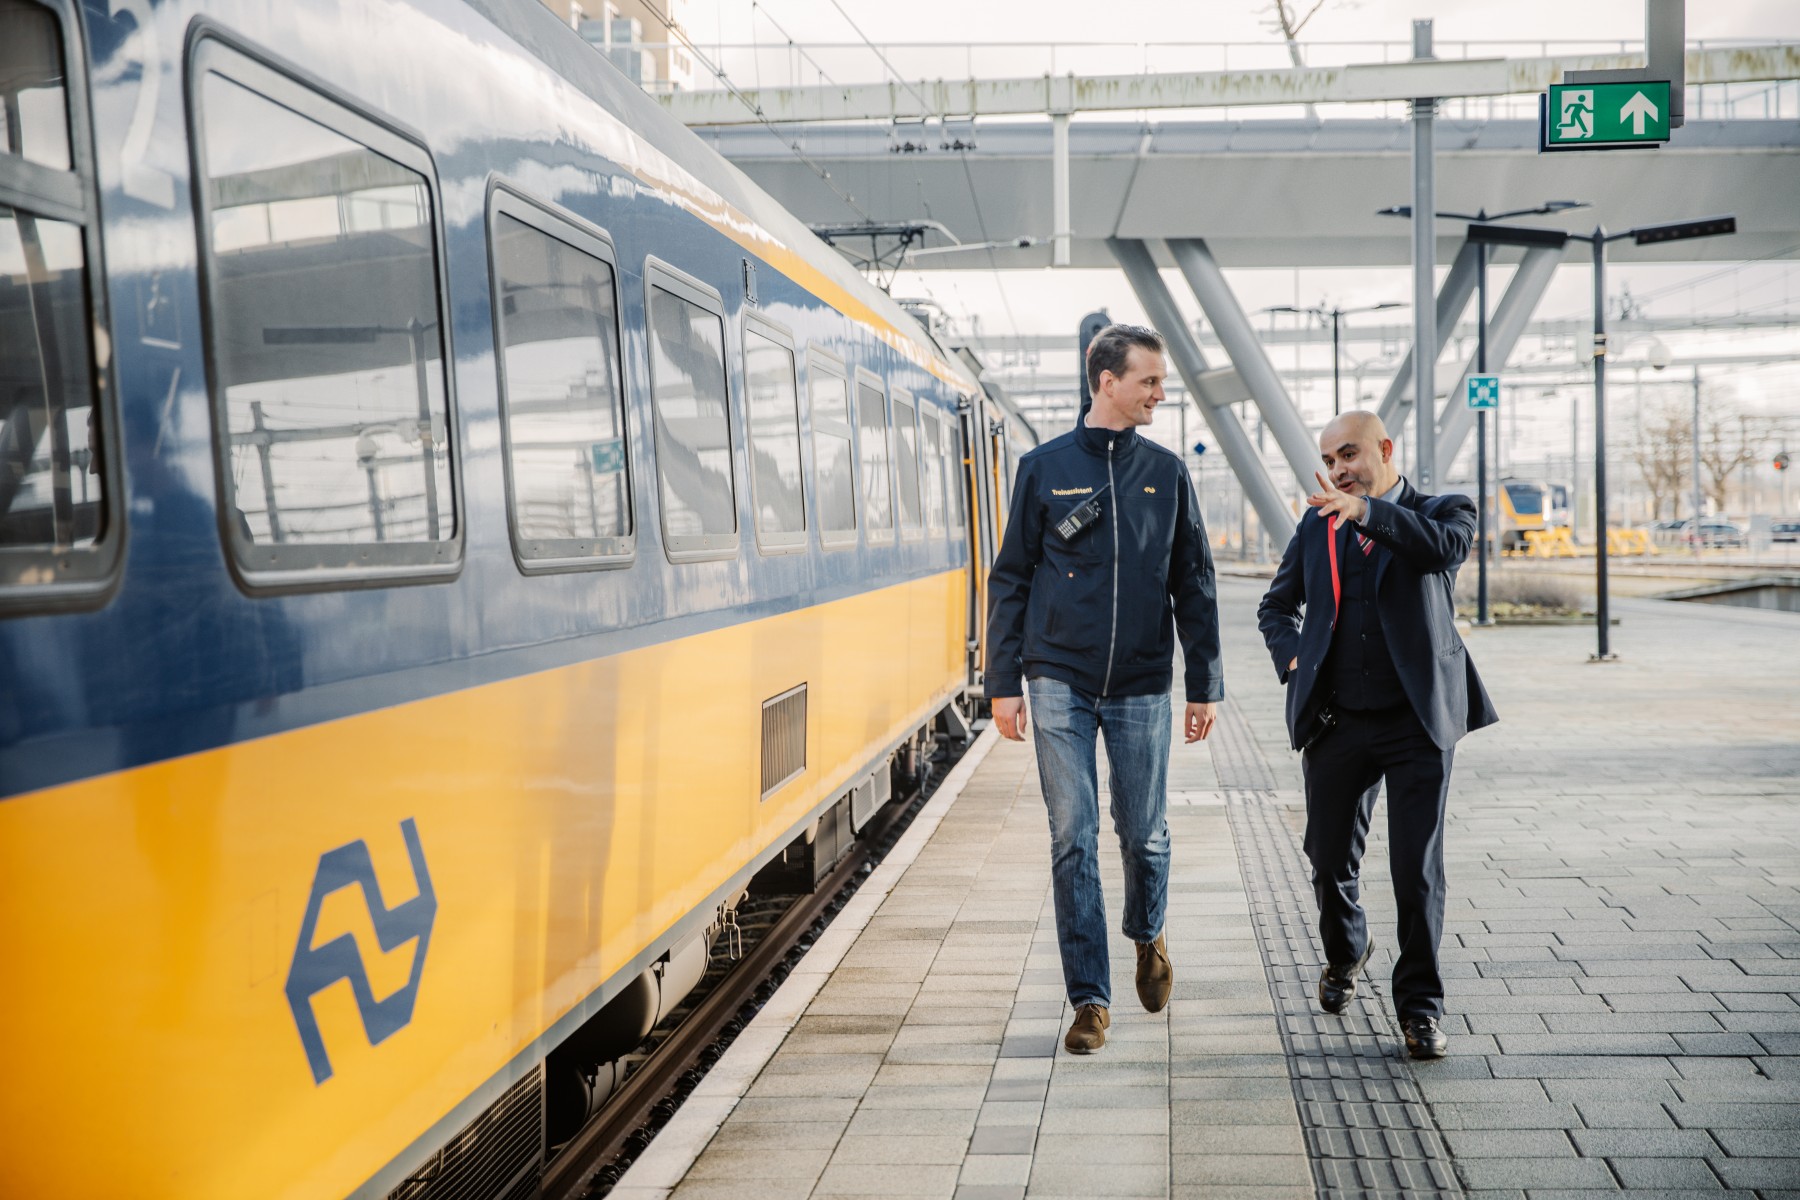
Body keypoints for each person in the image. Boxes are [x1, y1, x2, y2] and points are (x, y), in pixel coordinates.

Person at [985, 323, 1223, 1055]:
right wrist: (1003, 682)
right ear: (1106, 381)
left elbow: (1195, 582)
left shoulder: (1168, 472)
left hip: (1143, 683)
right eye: (1149, 380)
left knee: (1144, 835)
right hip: (1057, 675)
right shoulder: (1044, 467)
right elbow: (1012, 577)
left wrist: (1203, 682)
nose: (1160, 393)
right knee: (1071, 836)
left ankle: (1147, 936)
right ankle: (1090, 999)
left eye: (1160, 382)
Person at [1256, 411, 1497, 1059]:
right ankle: (1347, 950)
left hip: (1417, 721)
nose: (1338, 470)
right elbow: (1276, 606)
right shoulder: (1317, 523)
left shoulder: (1444, 510)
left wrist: (1365, 514)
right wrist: (1294, 657)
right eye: (1330, 460)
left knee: (1415, 871)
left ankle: (1420, 1008)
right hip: (1339, 720)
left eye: (1350, 455)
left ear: (1386, 450)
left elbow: (1439, 551)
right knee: (1327, 858)